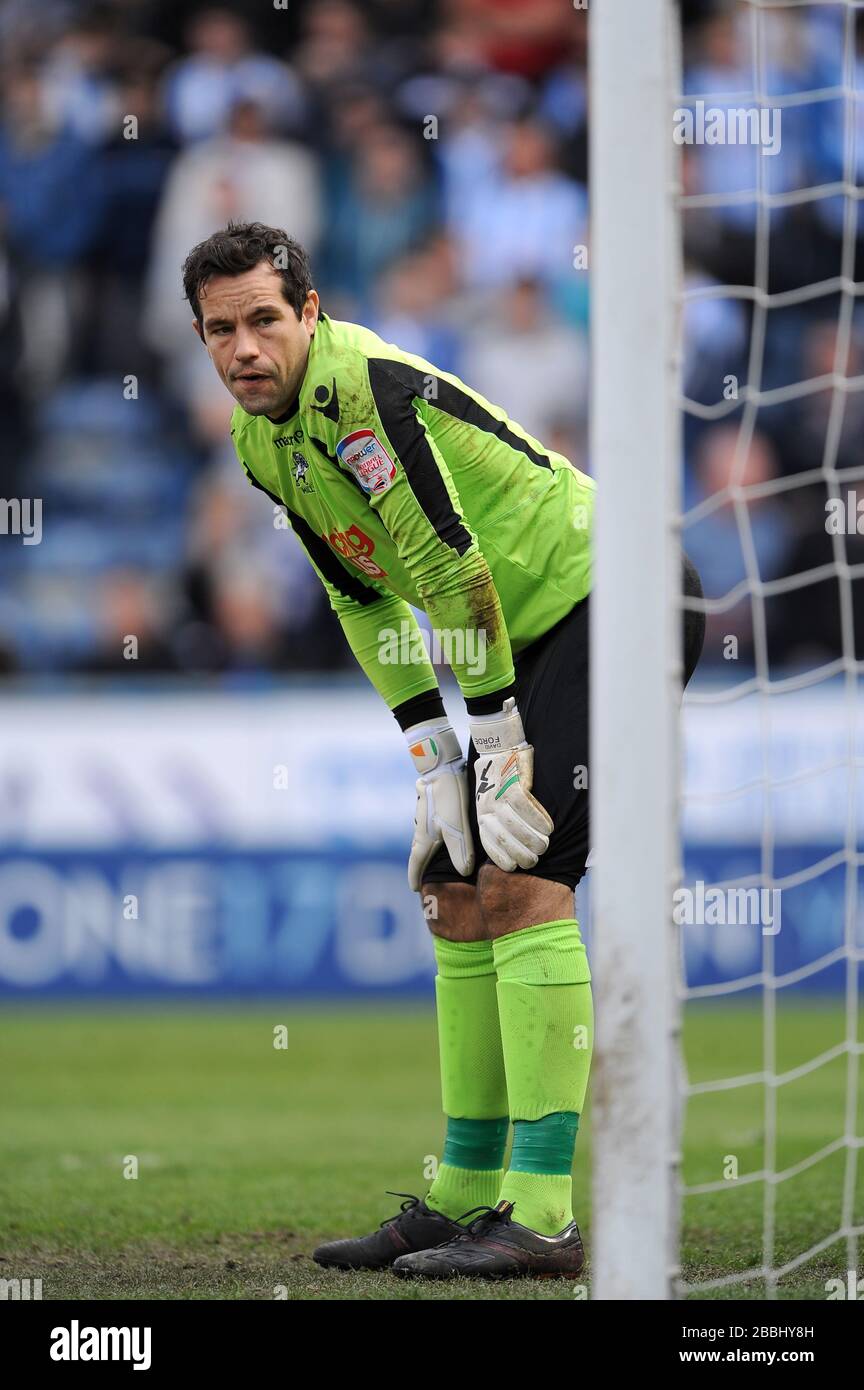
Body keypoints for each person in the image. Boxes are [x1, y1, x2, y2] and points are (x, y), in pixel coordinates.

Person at [181, 221, 704, 1280]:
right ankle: (466, 1192)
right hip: (520, 635)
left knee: (521, 876)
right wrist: (433, 753)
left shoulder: (362, 395)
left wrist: (496, 738)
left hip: (615, 598)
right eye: (221, 331)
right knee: (450, 887)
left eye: (264, 321)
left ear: (310, 312)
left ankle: (543, 1217)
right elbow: (361, 596)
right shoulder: (257, 441)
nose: (245, 349)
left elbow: (453, 567)